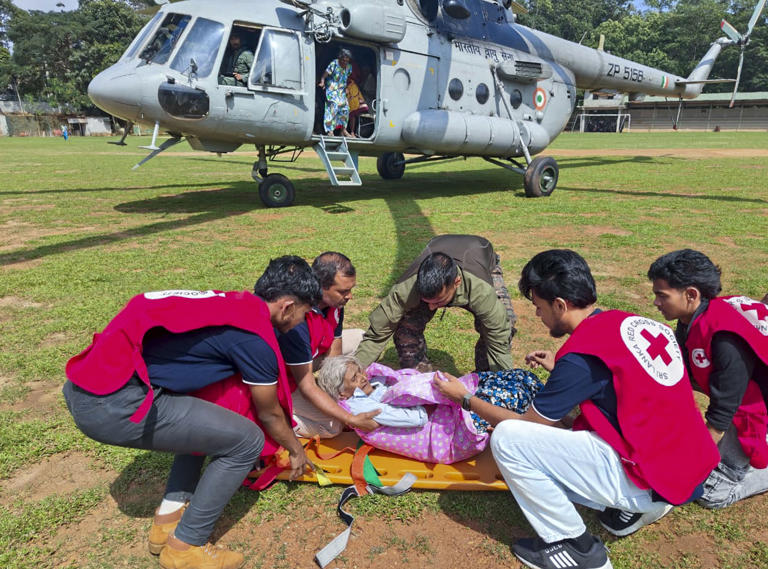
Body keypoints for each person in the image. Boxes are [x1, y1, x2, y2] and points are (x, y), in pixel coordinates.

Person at [434, 249, 719, 569]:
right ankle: (636, 506)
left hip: (655, 480)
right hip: (689, 468)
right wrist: (563, 370)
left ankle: (577, 548)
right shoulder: (631, 323)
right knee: (564, 429)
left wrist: (464, 398)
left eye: (539, 307)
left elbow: (527, 425)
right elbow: (618, 388)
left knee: (509, 439)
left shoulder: (580, 358)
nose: (538, 316)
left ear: (559, 305)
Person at [62, 256, 321, 569]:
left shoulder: (231, 302)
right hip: (112, 404)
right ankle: (186, 547)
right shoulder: (255, 339)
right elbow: (270, 415)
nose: (301, 323)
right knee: (247, 441)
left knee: (207, 424)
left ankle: (168, 520)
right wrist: (295, 449)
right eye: (303, 314)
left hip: (87, 383)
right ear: (287, 306)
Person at [648, 249, 768, 509]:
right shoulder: (695, 316)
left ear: (691, 294)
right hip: (744, 386)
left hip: (753, 400)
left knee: (711, 493)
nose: (656, 302)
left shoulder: (724, 338)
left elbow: (721, 416)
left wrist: (683, 468)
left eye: (662, 295)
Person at [316, 355, 540, 463]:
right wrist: (434, 396)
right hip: (449, 432)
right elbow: (417, 419)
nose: (363, 377)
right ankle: (538, 426)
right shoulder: (364, 410)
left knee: (517, 378)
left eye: (359, 372)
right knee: (506, 396)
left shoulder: (371, 385)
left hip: (446, 411)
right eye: (354, 379)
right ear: (342, 394)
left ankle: (542, 412)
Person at [355, 234, 517, 373]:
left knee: (505, 323)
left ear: (457, 282)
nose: (431, 308)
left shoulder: (480, 290)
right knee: (405, 326)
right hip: (438, 266)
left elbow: (499, 338)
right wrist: (354, 371)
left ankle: (485, 376)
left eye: (438, 301)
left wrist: (505, 380)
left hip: (483, 263)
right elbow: (377, 334)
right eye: (427, 302)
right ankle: (418, 377)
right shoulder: (406, 289)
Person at [278, 252, 378, 438]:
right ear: (321, 287)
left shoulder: (334, 304)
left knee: (360, 338)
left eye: (350, 289)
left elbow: (335, 346)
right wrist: (348, 416)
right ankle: (278, 418)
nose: (349, 296)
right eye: (343, 291)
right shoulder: (297, 318)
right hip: (285, 378)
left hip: (308, 357)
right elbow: (306, 385)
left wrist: (338, 389)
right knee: (333, 426)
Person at [318, 48, 354, 137]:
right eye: (343, 60)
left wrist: (347, 88)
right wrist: (322, 82)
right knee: (333, 108)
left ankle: (343, 130)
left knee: (345, 109)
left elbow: (346, 77)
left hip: (341, 90)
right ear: (340, 58)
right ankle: (330, 130)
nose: (344, 62)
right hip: (332, 89)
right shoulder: (334, 64)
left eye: (347, 60)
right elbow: (324, 75)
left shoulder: (349, 67)